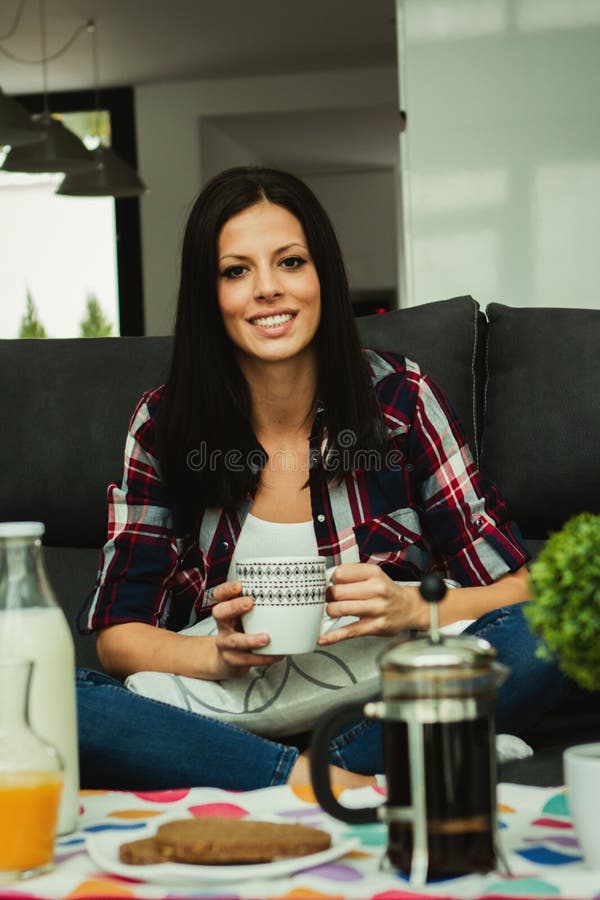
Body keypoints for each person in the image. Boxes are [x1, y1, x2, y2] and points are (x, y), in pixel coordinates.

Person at [77, 166, 568, 792]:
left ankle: (295, 777)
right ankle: (346, 777)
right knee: (61, 699)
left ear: (321, 276)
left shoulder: (401, 399)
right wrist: (214, 654)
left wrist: (413, 605)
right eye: (236, 271)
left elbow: (518, 589)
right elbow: (118, 636)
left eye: (289, 262)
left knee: (548, 629)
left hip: (377, 700)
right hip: (219, 714)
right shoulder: (163, 423)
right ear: (210, 295)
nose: (267, 290)